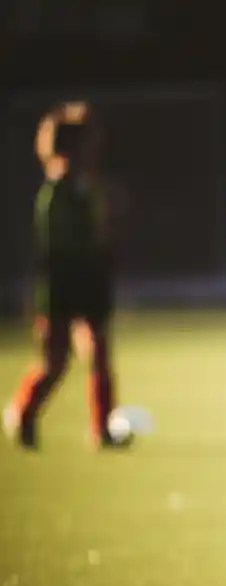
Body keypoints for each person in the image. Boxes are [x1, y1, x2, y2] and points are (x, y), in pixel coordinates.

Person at [3, 102, 128, 450]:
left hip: (91, 281)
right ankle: (24, 414)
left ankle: (101, 429)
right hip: (62, 285)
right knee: (55, 363)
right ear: (69, 147)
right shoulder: (55, 193)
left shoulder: (91, 189)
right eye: (87, 142)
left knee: (100, 353)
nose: (94, 149)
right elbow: (55, 249)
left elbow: (101, 233)